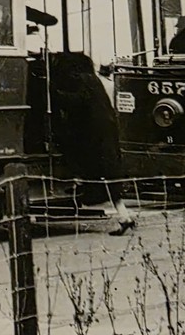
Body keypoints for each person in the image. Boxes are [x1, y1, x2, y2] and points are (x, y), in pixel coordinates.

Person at [49, 52, 136, 236]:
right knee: (109, 176)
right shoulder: (93, 79)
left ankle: (122, 216)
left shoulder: (82, 80)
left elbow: (78, 101)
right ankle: (124, 217)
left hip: (95, 136)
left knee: (100, 172)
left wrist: (54, 94)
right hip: (104, 132)